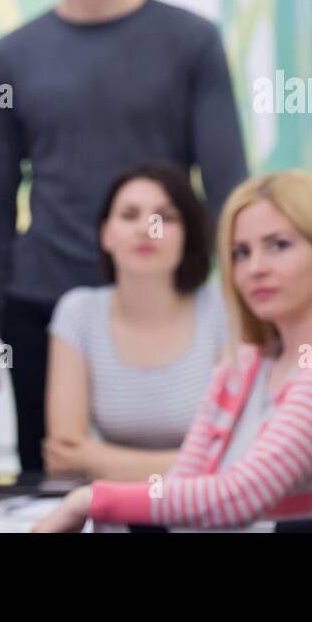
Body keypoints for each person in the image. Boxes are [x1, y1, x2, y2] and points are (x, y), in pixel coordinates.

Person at [0, 0, 248, 472]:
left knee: (205, 472)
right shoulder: (8, 60)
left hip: (171, 301)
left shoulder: (192, 42)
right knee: (50, 479)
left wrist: (243, 303)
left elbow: (230, 189)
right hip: (42, 302)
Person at [35, 170, 312, 532]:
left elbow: (242, 495)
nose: (255, 268)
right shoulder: (243, 365)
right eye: (241, 252)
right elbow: (182, 484)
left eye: (278, 245)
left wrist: (91, 499)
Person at [43, 162, 229, 482]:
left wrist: (99, 459)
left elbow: (237, 455)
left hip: (207, 504)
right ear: (106, 235)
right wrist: (195, 464)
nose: (146, 229)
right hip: (114, 505)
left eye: (165, 217)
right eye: (129, 215)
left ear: (187, 235)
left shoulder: (222, 307)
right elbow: (63, 456)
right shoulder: (78, 312)